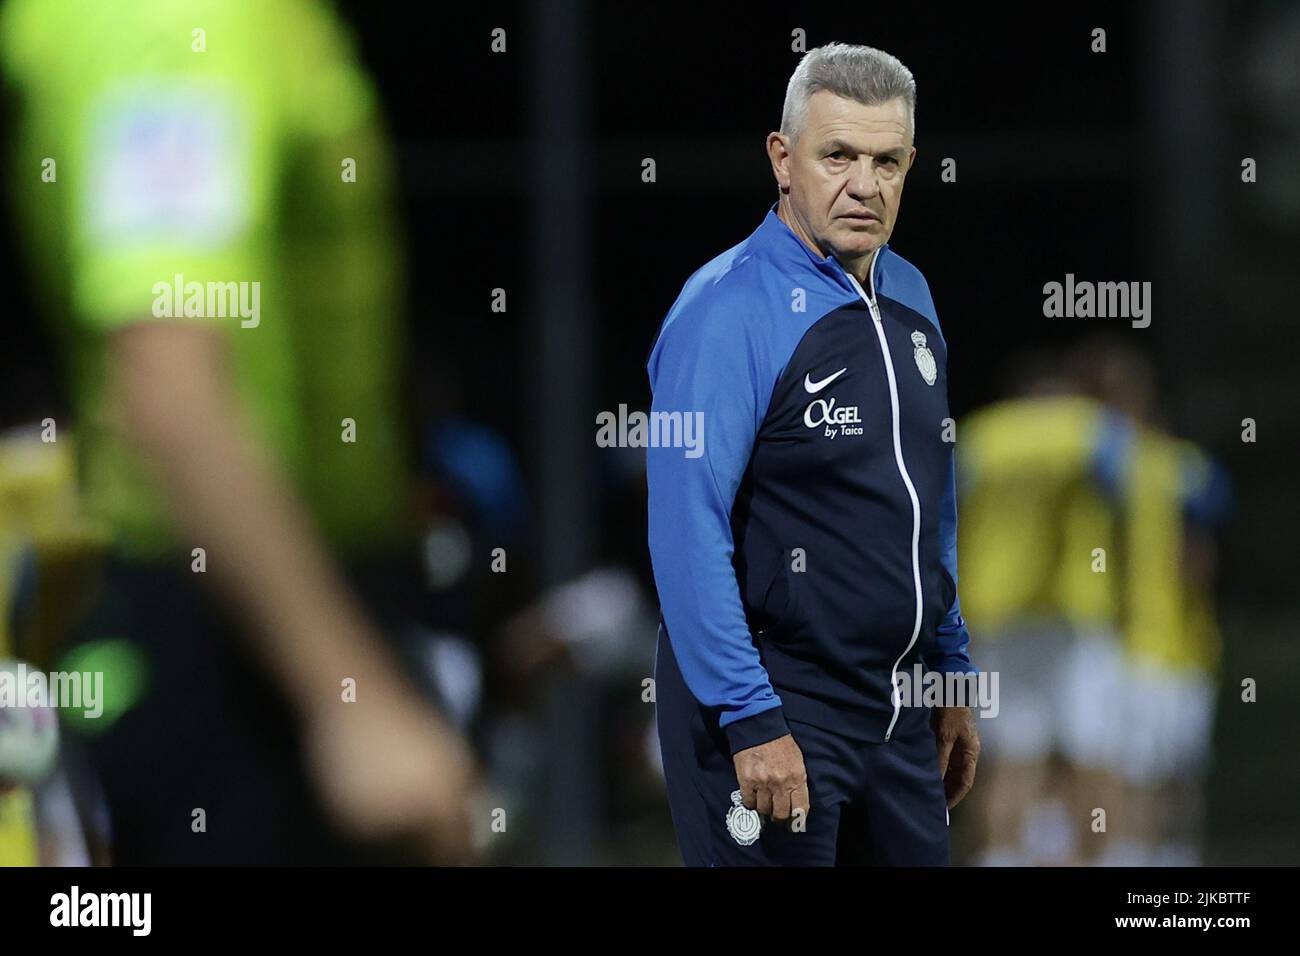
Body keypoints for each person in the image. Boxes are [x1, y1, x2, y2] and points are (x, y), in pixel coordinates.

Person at [0, 0, 476, 863]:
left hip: (263, 620)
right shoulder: (177, 23)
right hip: (236, 646)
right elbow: (169, 383)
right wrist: (349, 698)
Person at [647, 43, 979, 866]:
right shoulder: (725, 310)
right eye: (838, 155)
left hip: (898, 708)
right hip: (774, 704)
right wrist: (749, 715)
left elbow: (926, 505)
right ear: (782, 158)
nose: (864, 185)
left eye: (886, 160)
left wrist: (952, 671)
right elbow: (685, 532)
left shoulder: (913, 295)